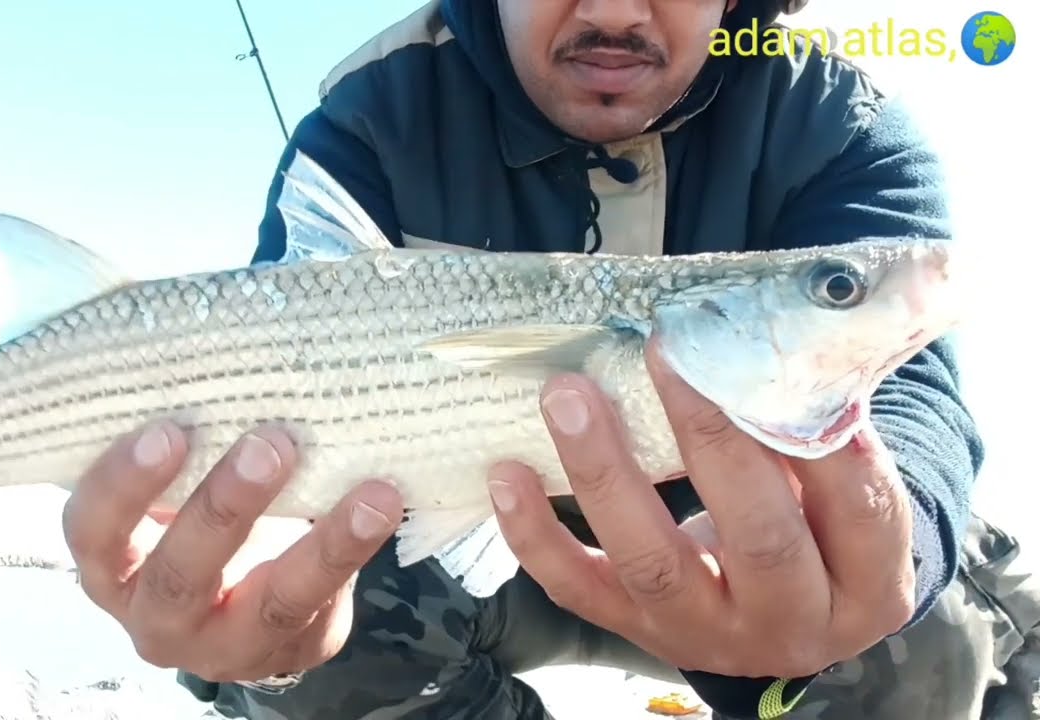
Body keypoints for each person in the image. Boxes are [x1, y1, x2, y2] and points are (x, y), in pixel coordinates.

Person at [58, 0, 1040, 717]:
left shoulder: (845, 123)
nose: (614, 9)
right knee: (311, 670)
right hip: (457, 543)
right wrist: (264, 633)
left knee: (917, 631)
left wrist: (890, 552)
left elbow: (911, 395)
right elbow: (288, 381)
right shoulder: (367, 114)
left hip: (742, 560)